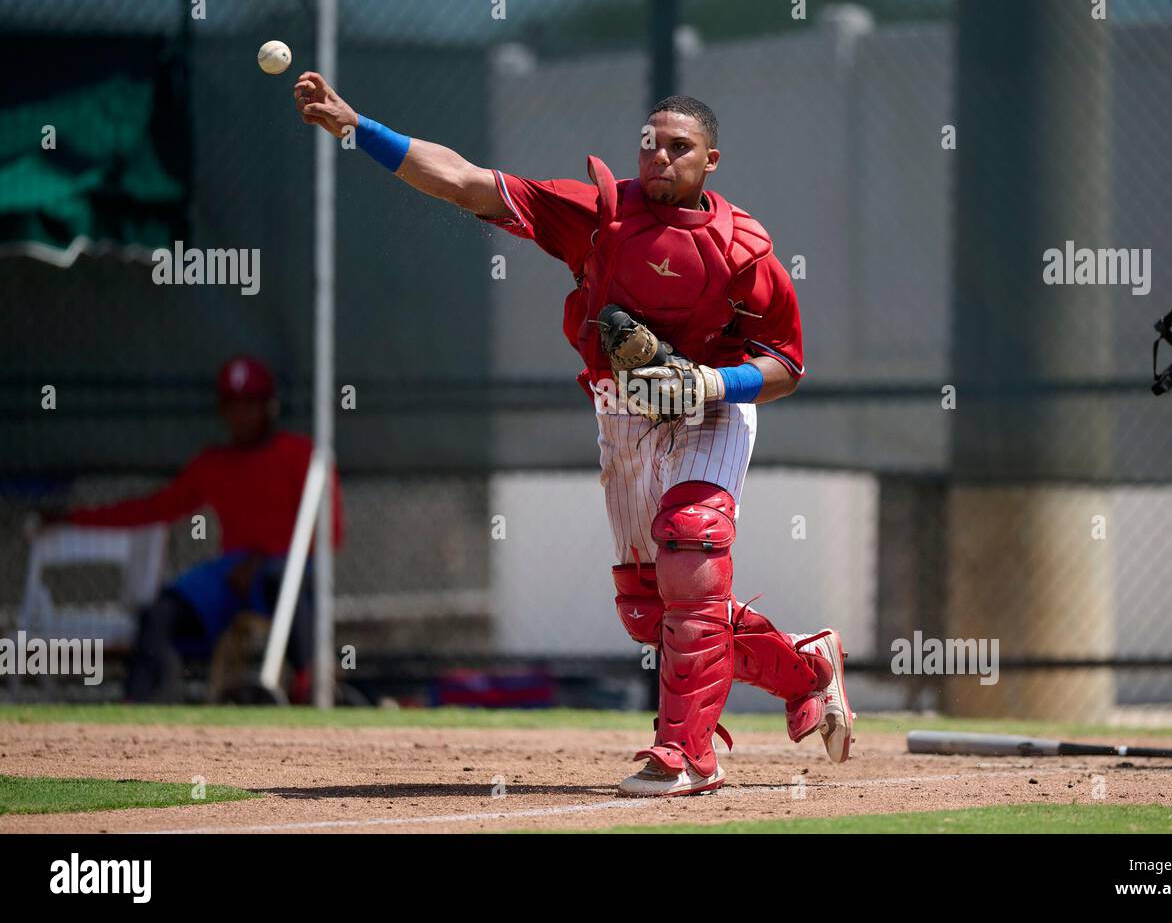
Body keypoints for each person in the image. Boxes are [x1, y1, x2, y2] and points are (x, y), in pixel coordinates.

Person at [295, 73, 851, 796]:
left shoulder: (742, 250)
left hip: (711, 408)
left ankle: (684, 754)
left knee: (692, 546)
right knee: (650, 610)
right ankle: (807, 668)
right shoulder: (599, 215)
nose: (659, 158)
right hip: (621, 408)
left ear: (711, 159)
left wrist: (712, 382)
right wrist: (354, 126)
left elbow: (787, 364)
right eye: (650, 145)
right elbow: (465, 182)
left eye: (680, 147)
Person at [49, 356, 343, 703]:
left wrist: (263, 557)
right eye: (233, 405)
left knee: (279, 578)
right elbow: (154, 508)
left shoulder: (301, 453)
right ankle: (143, 710)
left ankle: (313, 688)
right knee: (161, 613)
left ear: (270, 406)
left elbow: (331, 532)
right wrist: (72, 517)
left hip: (290, 568)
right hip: (231, 574)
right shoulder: (214, 464)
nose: (242, 415)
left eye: (251, 403)